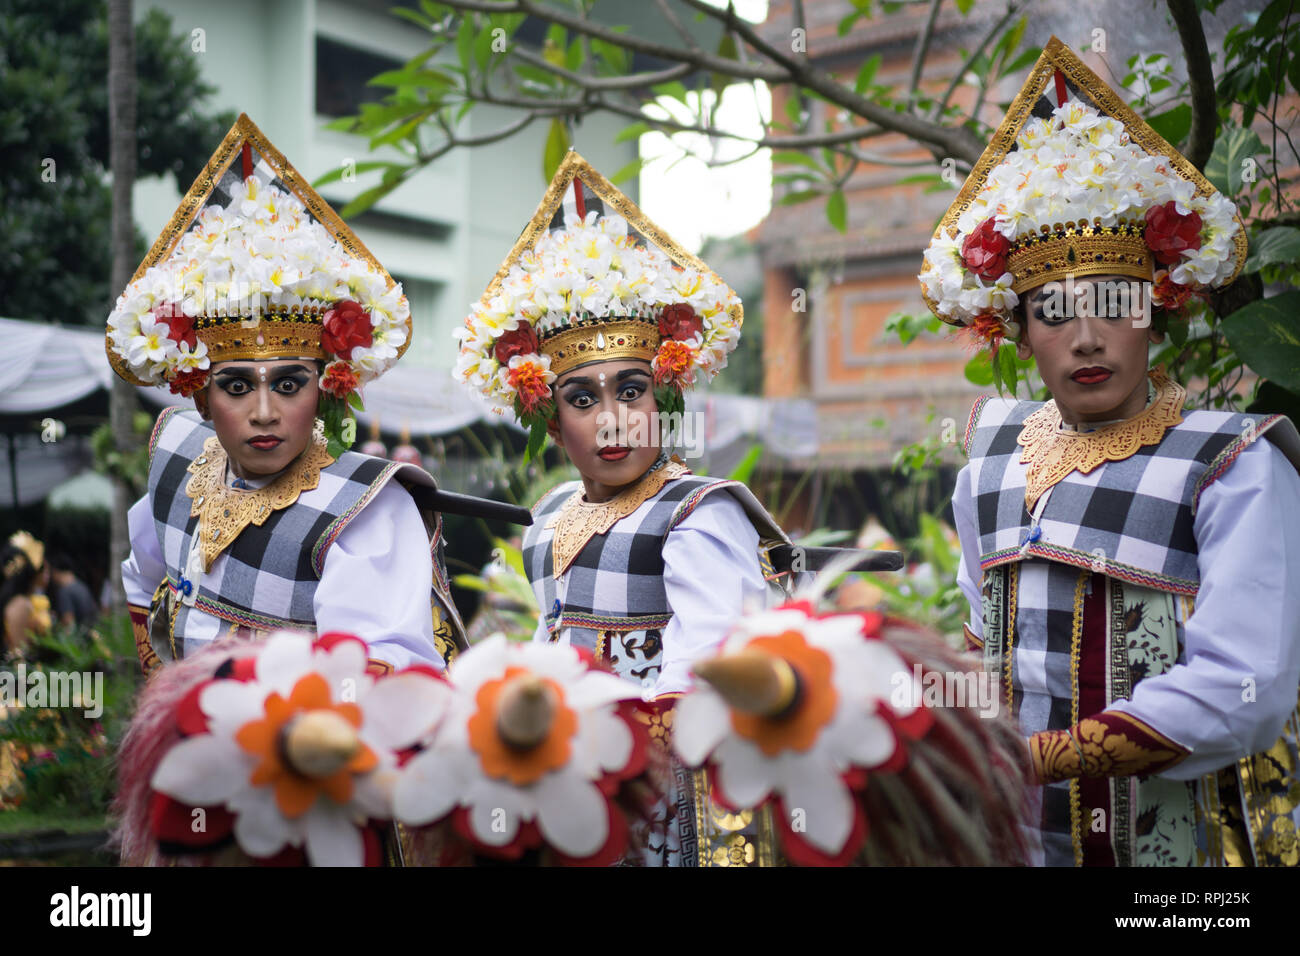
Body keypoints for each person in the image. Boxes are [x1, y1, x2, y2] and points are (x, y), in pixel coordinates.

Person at [920, 38, 1300, 866]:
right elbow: (982, 643)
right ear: (1016, 331)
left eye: (1114, 304)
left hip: (1181, 855)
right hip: (1016, 842)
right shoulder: (991, 455)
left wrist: (1040, 757)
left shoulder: (1233, 462)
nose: (1086, 337)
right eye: (1053, 310)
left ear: (1157, 314)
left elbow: (1248, 692)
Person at [453, 153, 800, 865]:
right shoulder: (549, 515)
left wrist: (579, 744)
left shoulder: (699, 512)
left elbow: (708, 681)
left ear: (666, 397)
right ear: (550, 422)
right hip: (572, 796)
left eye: (632, 391)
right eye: (582, 399)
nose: (611, 420)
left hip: (675, 812)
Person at [107, 114, 466, 678]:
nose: (265, 412)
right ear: (199, 396)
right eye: (236, 386)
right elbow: (143, 579)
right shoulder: (175, 452)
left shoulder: (365, 510)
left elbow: (385, 674)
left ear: (326, 389)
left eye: (290, 383)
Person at [1, 531, 51, 659]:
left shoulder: (23, 601)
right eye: (43, 568)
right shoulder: (20, 604)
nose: (47, 572)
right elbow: (19, 653)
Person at [48, 552, 99, 633]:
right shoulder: (81, 586)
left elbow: (69, 625)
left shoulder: (65, 591)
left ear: (55, 571)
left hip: (78, 642)